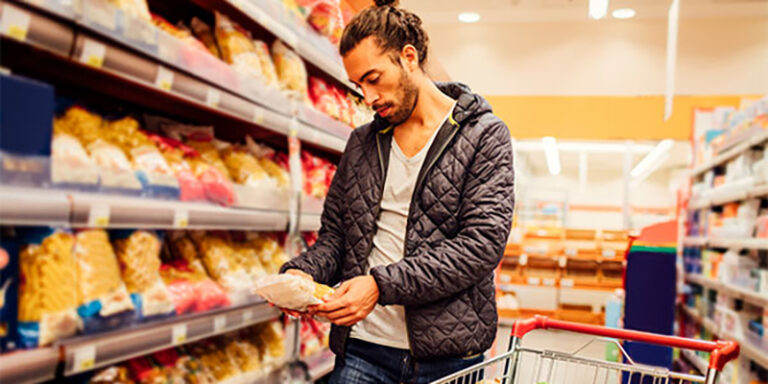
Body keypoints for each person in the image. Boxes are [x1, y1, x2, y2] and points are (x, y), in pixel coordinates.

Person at [280, 0, 515, 382]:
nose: (368, 98)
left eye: (373, 78)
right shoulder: (362, 142)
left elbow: (481, 245)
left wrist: (379, 285)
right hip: (364, 348)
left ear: (408, 57)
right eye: (359, 86)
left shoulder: (483, 135)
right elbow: (336, 238)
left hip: (449, 356)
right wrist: (300, 276)